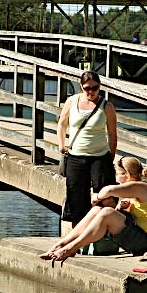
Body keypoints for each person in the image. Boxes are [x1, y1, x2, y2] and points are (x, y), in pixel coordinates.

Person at [41, 156, 147, 263]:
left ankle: (70, 249)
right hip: (143, 237)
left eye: (118, 174)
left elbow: (108, 190)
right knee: (98, 210)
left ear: (126, 174)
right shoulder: (133, 188)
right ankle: (62, 244)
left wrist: (96, 196)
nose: (116, 178)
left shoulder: (142, 186)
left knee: (107, 212)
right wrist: (119, 208)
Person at [57, 70, 118, 227]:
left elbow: (112, 134)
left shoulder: (107, 106)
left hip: (99, 155)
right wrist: (61, 144)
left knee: (103, 194)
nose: (91, 92)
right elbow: (62, 123)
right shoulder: (72, 101)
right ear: (81, 87)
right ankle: (78, 235)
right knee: (75, 195)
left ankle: (103, 230)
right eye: (87, 88)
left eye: (95, 88)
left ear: (100, 87)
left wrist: (111, 156)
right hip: (76, 155)